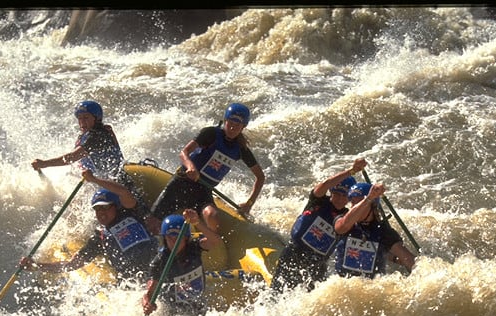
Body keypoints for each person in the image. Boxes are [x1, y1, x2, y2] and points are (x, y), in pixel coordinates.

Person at [19, 169, 157, 285]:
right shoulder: (99, 238)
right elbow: (71, 265)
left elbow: (124, 193)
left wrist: (94, 180)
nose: (101, 213)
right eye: (97, 209)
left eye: (105, 207)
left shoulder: (131, 212)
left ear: (116, 206)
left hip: (157, 270)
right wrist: (37, 266)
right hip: (134, 284)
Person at [147, 103, 265, 234]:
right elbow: (184, 153)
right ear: (225, 121)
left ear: (243, 127)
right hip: (181, 183)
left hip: (203, 191)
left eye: (237, 126)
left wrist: (249, 204)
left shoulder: (241, 149)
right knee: (151, 224)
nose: (232, 128)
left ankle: (209, 244)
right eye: (230, 123)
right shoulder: (210, 134)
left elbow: (260, 177)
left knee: (213, 217)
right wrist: (191, 167)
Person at [31, 100, 150, 222]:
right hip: (102, 183)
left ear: (96, 118)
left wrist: (44, 163)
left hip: (118, 185)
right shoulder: (85, 136)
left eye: (86, 118)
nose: (82, 122)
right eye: (80, 118)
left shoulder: (98, 135)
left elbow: (71, 157)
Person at [270, 157, 367, 292]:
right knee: (277, 292)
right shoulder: (318, 201)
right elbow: (325, 184)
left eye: (344, 196)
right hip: (294, 254)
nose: (339, 199)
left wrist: (371, 200)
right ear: (331, 193)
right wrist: (352, 171)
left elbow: (366, 235)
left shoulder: (348, 218)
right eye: (337, 194)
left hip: (317, 265)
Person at [141, 209, 221, 316]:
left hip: (198, 306)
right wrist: (147, 304)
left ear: (186, 238)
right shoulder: (160, 262)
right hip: (175, 315)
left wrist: (197, 223)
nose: (174, 241)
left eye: (178, 236)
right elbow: (149, 293)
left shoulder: (194, 247)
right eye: (170, 237)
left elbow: (216, 241)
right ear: (164, 238)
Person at [332, 182, 415, 278]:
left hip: (370, 287)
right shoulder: (342, 220)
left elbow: (410, 261)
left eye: (358, 204)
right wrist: (368, 198)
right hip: (341, 284)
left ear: (373, 207)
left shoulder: (384, 232)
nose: (353, 208)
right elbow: (342, 227)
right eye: (353, 204)